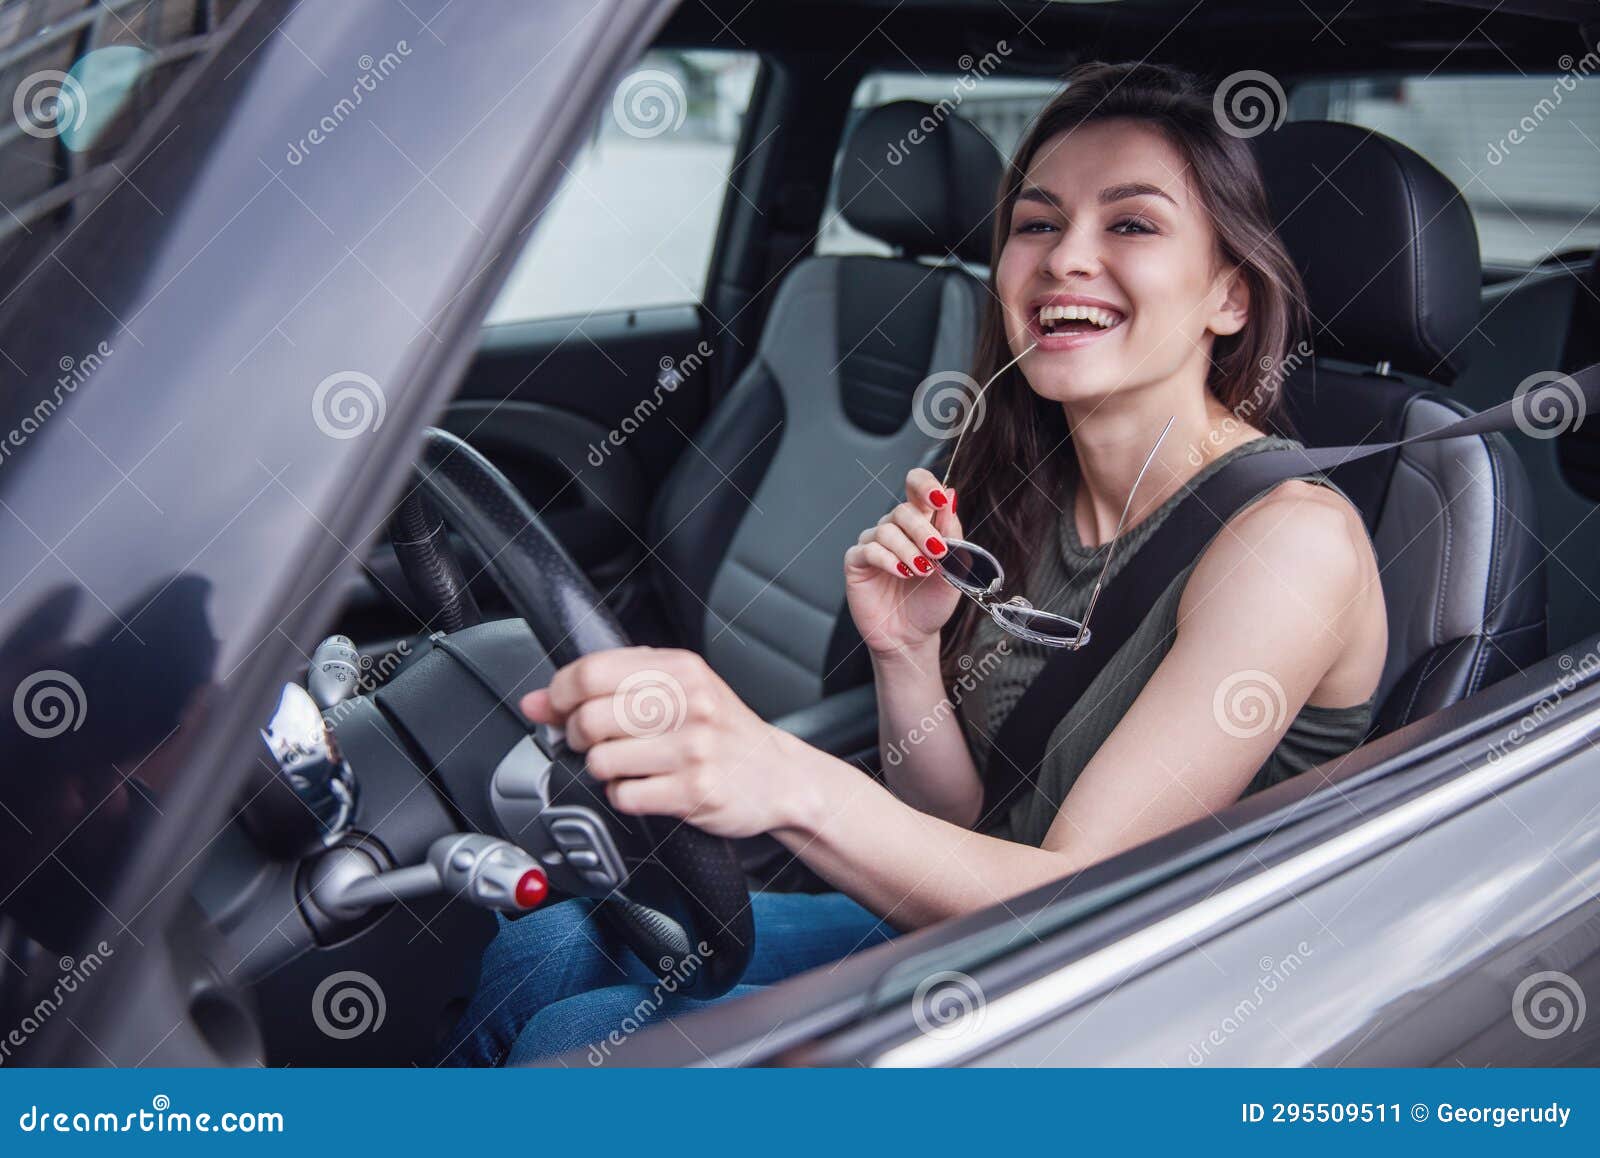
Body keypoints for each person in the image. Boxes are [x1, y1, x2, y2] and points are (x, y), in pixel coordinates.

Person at [444, 59, 1387, 1066]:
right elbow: (961, 821)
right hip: (982, 932)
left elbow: (1084, 902)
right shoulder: (1025, 481)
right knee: (550, 945)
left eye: (1130, 224)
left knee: (583, 1041)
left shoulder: (1288, 542)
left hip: (1125, 1000)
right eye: (1035, 223)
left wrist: (788, 781)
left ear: (1229, 298)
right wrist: (906, 654)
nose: (1066, 257)